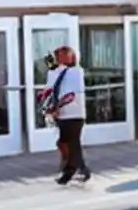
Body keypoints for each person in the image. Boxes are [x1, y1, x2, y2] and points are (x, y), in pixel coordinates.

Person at [44, 45, 89, 185]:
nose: (59, 58)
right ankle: (83, 169)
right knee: (68, 143)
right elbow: (52, 87)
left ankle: (69, 173)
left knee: (70, 143)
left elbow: (70, 95)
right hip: (64, 115)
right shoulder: (61, 72)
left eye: (62, 55)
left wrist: (57, 107)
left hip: (74, 114)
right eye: (57, 56)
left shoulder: (76, 72)